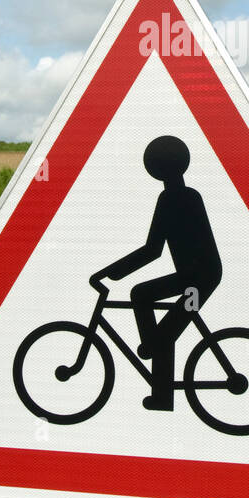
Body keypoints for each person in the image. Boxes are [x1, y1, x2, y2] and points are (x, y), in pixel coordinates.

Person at [89, 136, 222, 410]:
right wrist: (113, 273)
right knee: (146, 302)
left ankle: (159, 383)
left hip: (200, 278)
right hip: (195, 275)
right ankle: (153, 356)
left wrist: (111, 273)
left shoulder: (175, 198)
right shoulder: (183, 196)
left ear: (155, 168)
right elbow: (154, 249)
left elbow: (152, 250)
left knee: (151, 313)